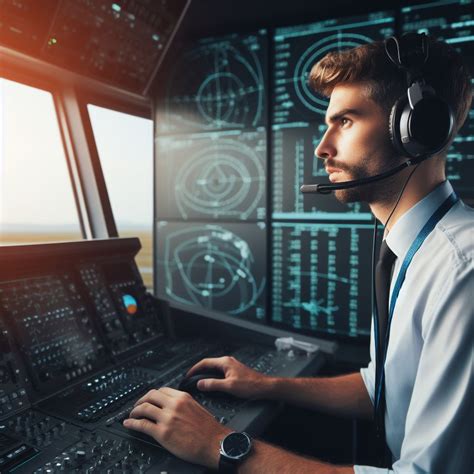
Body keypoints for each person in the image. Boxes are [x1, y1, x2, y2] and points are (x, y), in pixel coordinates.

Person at [124, 34, 473, 473]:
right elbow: (380, 387)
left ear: (415, 130)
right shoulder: (406, 248)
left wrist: (219, 443)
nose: (322, 147)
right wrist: (267, 385)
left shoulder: (461, 273)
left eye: (345, 121)